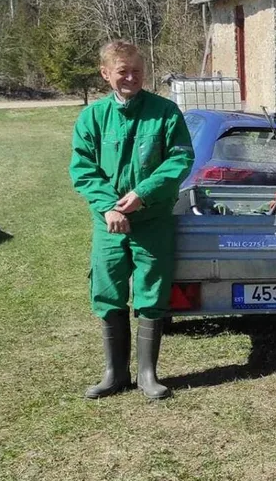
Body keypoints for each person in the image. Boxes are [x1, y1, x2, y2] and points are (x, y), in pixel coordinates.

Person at [70, 40, 195, 400]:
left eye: (137, 71)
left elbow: (179, 160)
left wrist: (143, 194)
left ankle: (147, 374)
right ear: (105, 73)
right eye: (122, 71)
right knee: (107, 291)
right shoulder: (92, 118)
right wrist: (109, 205)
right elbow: (83, 169)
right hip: (108, 222)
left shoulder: (166, 113)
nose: (131, 78)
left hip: (152, 219)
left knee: (152, 291)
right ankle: (114, 373)